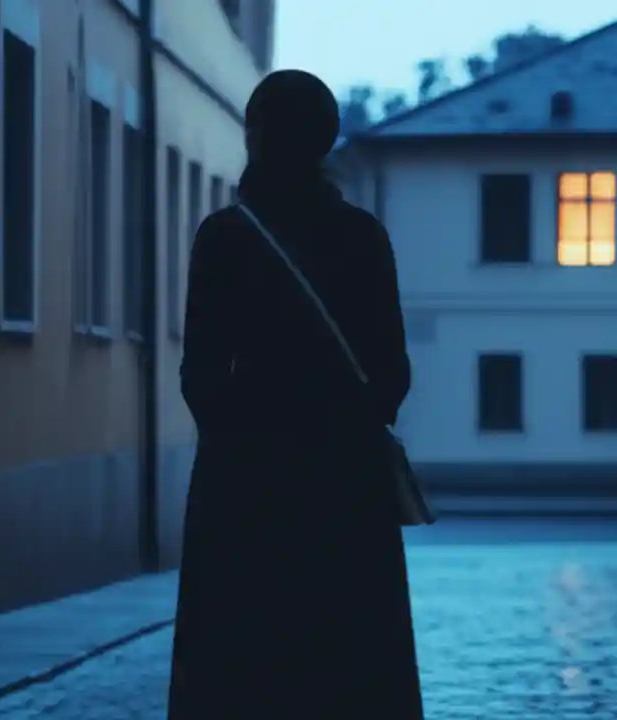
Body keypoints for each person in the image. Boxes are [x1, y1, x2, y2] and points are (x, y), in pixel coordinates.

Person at [166, 69, 425, 719]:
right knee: (350, 662)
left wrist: (237, 443)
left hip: (245, 486)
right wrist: (348, 426)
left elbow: (200, 372)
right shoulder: (363, 237)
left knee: (240, 665)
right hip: (345, 486)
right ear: (324, 142)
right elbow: (392, 370)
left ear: (256, 138)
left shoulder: (225, 238)